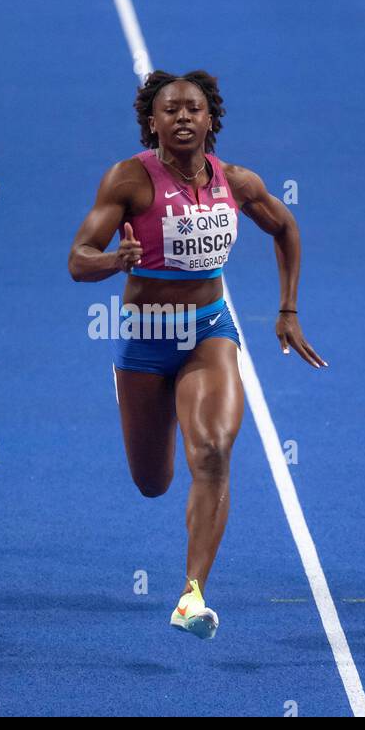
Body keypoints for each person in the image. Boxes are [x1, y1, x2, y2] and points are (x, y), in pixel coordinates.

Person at [69, 70, 325, 638]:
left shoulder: (236, 181)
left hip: (210, 328)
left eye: (193, 109)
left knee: (211, 451)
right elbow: (78, 258)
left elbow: (284, 228)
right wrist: (117, 261)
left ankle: (192, 596)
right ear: (152, 122)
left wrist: (287, 309)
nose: (183, 118)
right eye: (170, 111)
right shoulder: (129, 181)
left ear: (211, 119)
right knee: (153, 481)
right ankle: (142, 423)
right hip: (144, 334)